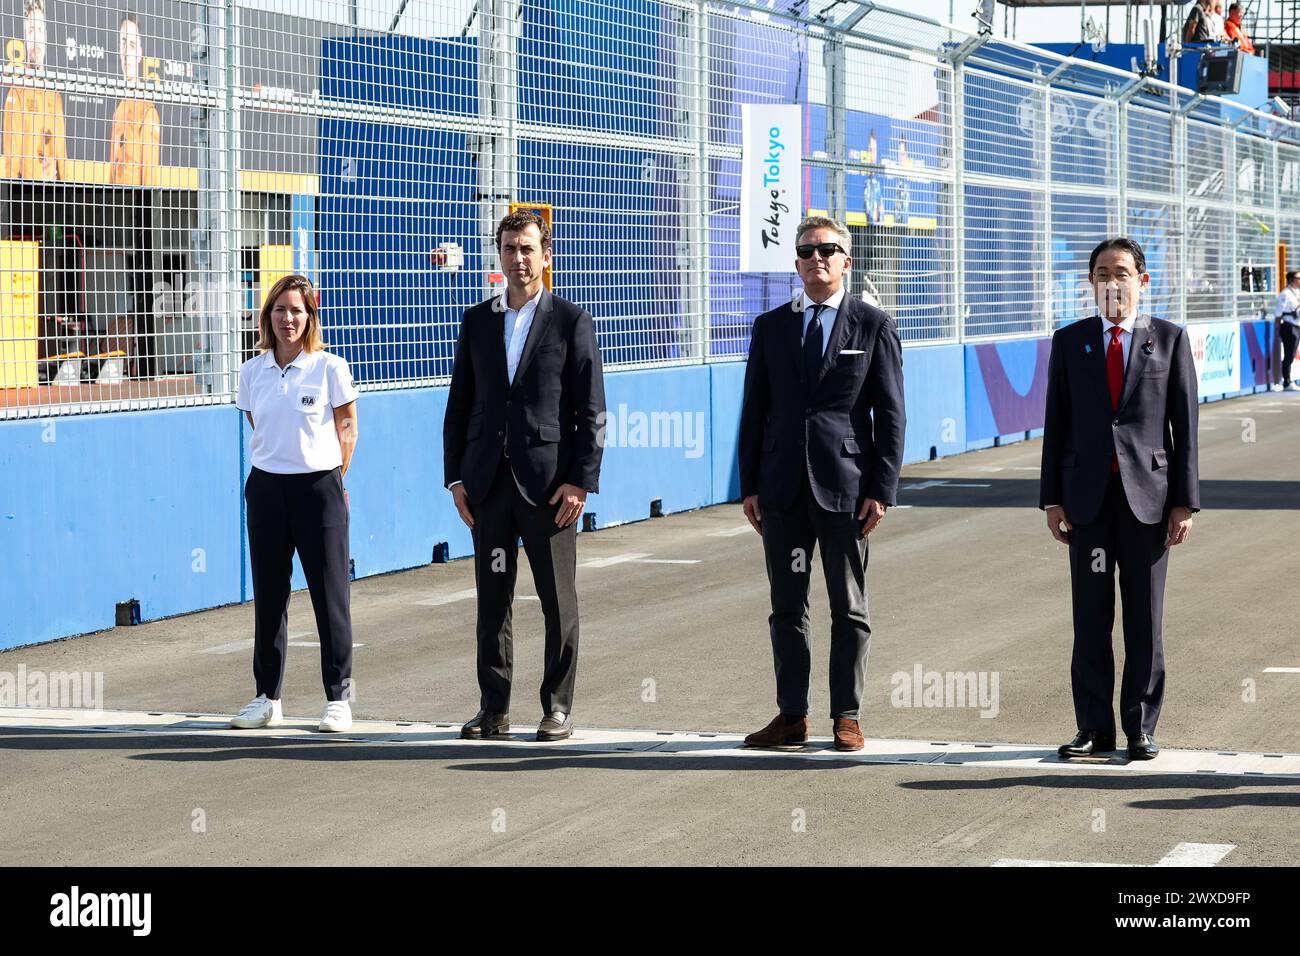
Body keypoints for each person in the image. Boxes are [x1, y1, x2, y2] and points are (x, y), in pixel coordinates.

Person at [738, 215, 906, 752]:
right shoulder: (771, 327)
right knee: (786, 607)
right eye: (808, 251)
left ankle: (847, 715)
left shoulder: (873, 324)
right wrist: (749, 485)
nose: (818, 259)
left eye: (829, 250)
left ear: (846, 261)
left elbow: (891, 415)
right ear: (796, 262)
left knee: (848, 607)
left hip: (846, 490)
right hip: (782, 489)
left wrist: (881, 489)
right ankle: (791, 716)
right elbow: (754, 411)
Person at [443, 211, 605, 742]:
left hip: (549, 487)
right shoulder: (478, 320)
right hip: (488, 486)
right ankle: (494, 709)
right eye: (510, 248)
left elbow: (591, 410)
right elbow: (460, 405)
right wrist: (456, 479)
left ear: (546, 255)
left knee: (558, 599)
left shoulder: (570, 321)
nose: (519, 258)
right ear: (500, 255)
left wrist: (580, 481)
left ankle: (556, 707)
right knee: (493, 600)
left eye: (528, 249)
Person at [1040, 238, 1200, 762]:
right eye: (1103, 273)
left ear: (1142, 281)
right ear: (1091, 283)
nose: (1114, 282)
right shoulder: (1070, 342)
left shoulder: (1169, 340)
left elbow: (1185, 429)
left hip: (1149, 503)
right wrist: (1052, 500)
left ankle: (1140, 726)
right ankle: (1093, 728)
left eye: (1123, 273)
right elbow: (1056, 426)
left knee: (1144, 619)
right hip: (1087, 502)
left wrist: (1184, 502)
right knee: (1090, 619)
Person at [231, 274, 360, 733]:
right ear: (268, 316)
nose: (289, 319)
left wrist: (330, 475)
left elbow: (348, 428)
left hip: (319, 491)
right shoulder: (252, 371)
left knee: (330, 597)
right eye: (281, 310)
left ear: (310, 318)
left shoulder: (329, 367)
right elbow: (257, 423)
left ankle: (338, 698)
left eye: (297, 311)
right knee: (269, 596)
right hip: (267, 490)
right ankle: (267, 697)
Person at [1, 0, 66, 181]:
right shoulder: (17, 93)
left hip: (55, 199)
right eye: (31, 31)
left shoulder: (55, 94)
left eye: (39, 30)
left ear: (45, 35)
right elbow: (11, 162)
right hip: (27, 197)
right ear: (25, 39)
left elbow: (61, 155)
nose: (36, 39)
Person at [109, 15, 161, 187]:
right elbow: (112, 170)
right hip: (115, 203)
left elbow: (150, 178)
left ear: (139, 54)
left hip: (134, 206)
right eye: (123, 42)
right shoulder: (119, 110)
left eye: (132, 45)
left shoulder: (147, 111)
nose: (126, 52)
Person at [1276, 269, 1300, 390]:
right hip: (1289, 326)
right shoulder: (1285, 294)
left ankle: (1290, 379)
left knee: (1292, 354)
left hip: (1297, 325)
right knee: (1289, 354)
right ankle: (1286, 381)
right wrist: (1277, 328)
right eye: (1298, 278)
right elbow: (1278, 313)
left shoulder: (1296, 293)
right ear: (1291, 280)